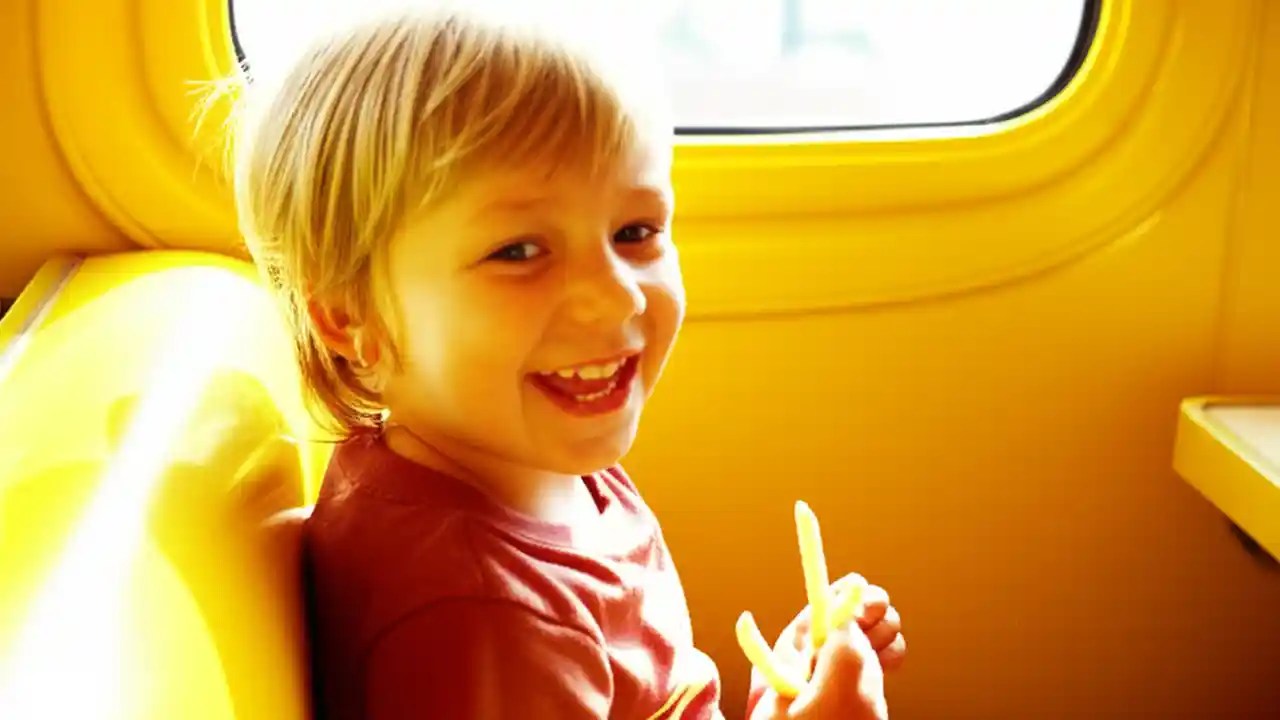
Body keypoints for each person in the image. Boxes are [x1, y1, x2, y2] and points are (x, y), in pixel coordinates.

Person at [231, 6, 906, 718]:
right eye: (519, 251)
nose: (615, 298)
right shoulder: (482, 623)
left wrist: (779, 699)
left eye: (636, 231)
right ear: (349, 317)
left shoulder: (521, 456)